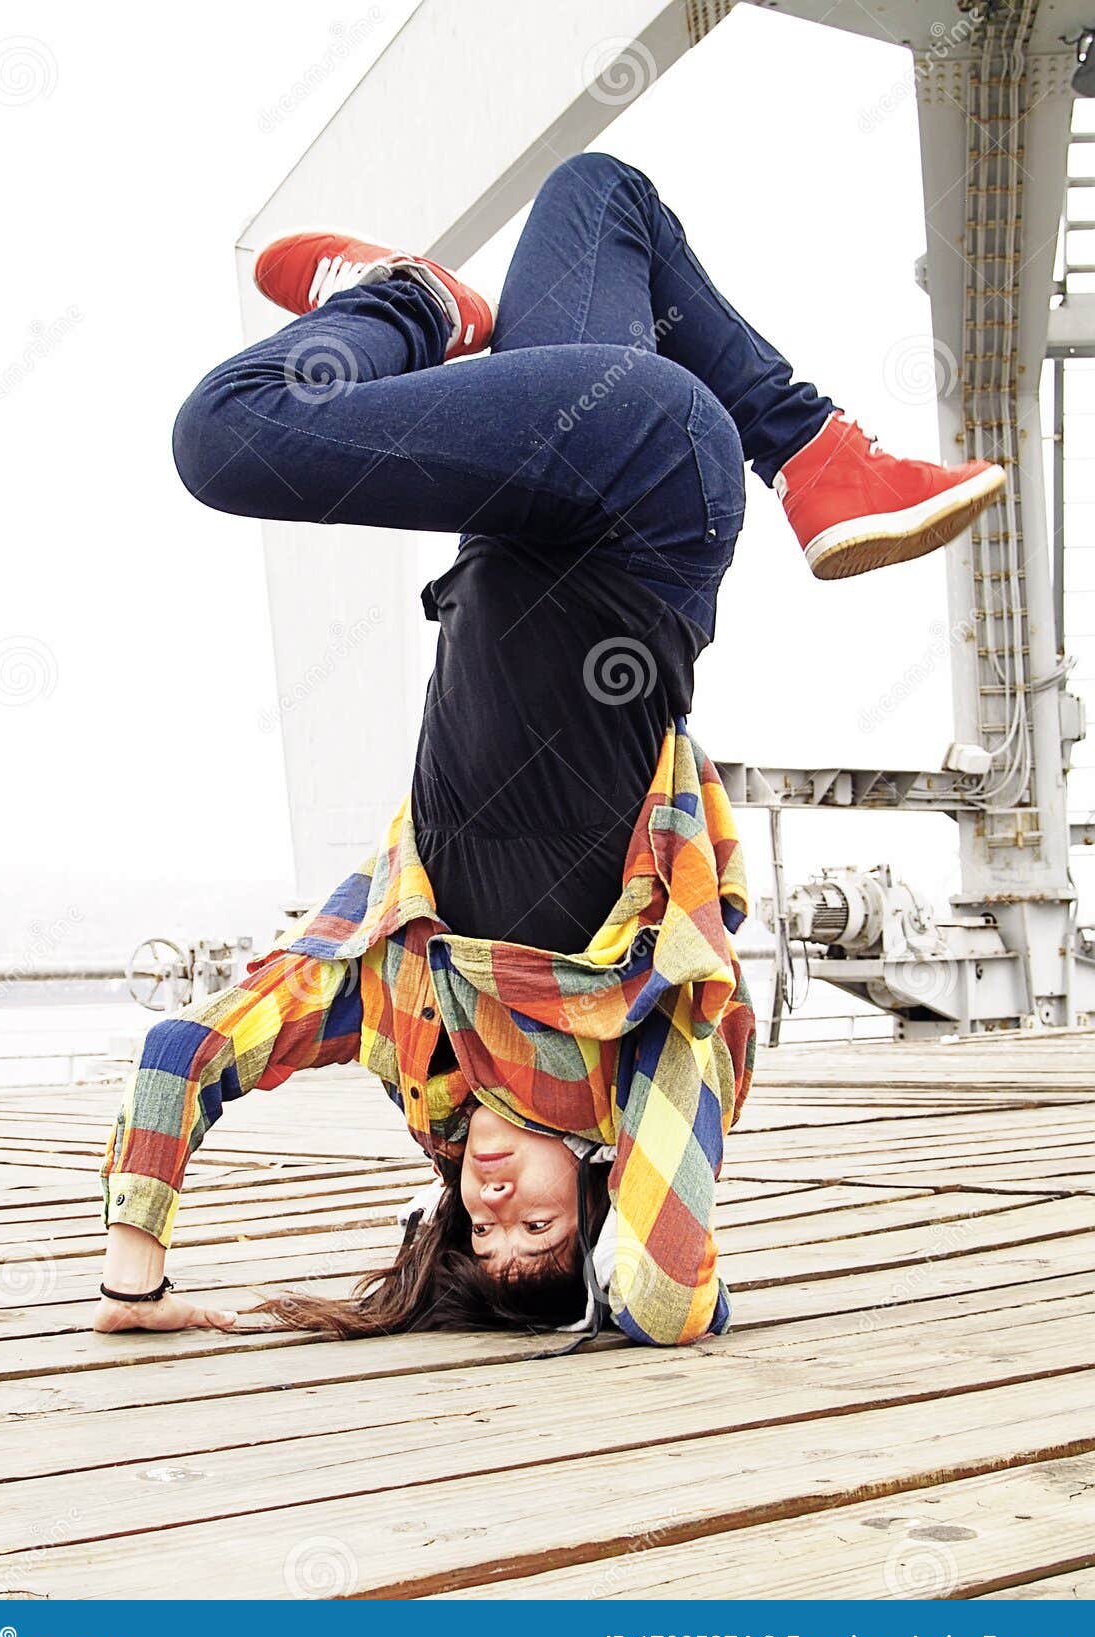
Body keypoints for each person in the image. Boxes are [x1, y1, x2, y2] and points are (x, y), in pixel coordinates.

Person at [94, 153, 1003, 1348]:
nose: (499, 1212)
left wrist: (135, 1276)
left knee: (597, 194)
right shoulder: (642, 1045)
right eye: (542, 1233)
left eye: (483, 1239)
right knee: (228, 435)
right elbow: (669, 1296)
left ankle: (819, 457)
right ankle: (409, 304)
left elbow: (187, 1050)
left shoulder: (396, 995)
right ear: (595, 1186)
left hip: (527, 498)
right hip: (643, 491)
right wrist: (632, 1255)